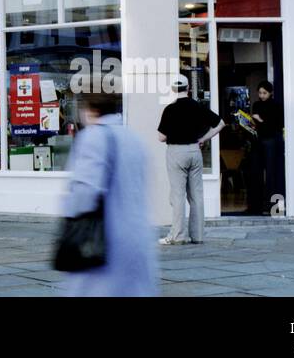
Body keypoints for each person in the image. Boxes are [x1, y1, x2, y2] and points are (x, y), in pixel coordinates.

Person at [62, 87, 157, 296]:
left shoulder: (93, 137)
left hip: (106, 242)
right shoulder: (134, 139)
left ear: (90, 109)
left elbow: (84, 193)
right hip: (138, 238)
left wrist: (68, 209)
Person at [157, 75, 225, 245]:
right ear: (188, 88)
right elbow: (221, 123)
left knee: (178, 195)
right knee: (196, 195)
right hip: (194, 151)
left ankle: (178, 236)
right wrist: (203, 139)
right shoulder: (197, 106)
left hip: (176, 153)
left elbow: (161, 137)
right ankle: (198, 235)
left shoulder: (169, 110)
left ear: (173, 89)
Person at [247, 80, 285, 215]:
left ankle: (275, 207)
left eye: (265, 93)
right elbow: (257, 124)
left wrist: (261, 120)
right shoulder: (257, 105)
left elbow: (277, 125)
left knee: (272, 173)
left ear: (271, 93)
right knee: (256, 172)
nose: (262, 95)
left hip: (272, 141)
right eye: (260, 93)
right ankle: (257, 206)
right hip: (260, 140)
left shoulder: (276, 106)